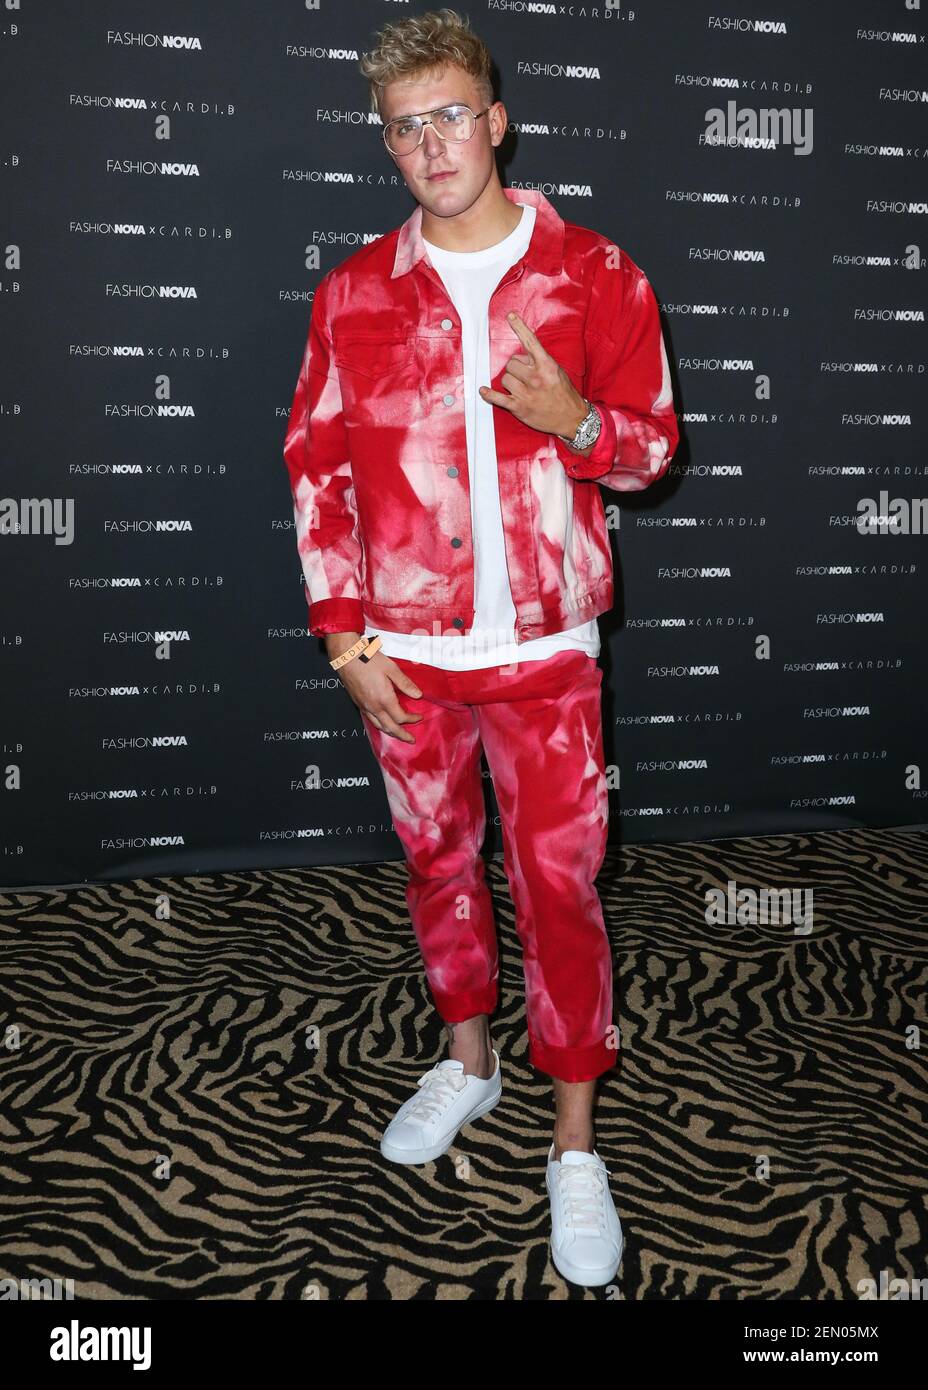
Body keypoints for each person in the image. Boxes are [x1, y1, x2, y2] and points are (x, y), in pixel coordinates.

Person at [283, 7, 678, 1288]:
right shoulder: (352, 293)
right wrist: (342, 634)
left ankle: (574, 1139)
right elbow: (316, 472)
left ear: (496, 119)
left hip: (550, 653)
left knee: (560, 892)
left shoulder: (598, 275)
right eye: (405, 127)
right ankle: (466, 1062)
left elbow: (652, 450)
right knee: (435, 865)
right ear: (387, 145)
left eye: (451, 114)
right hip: (404, 657)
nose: (431, 143)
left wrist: (577, 423)